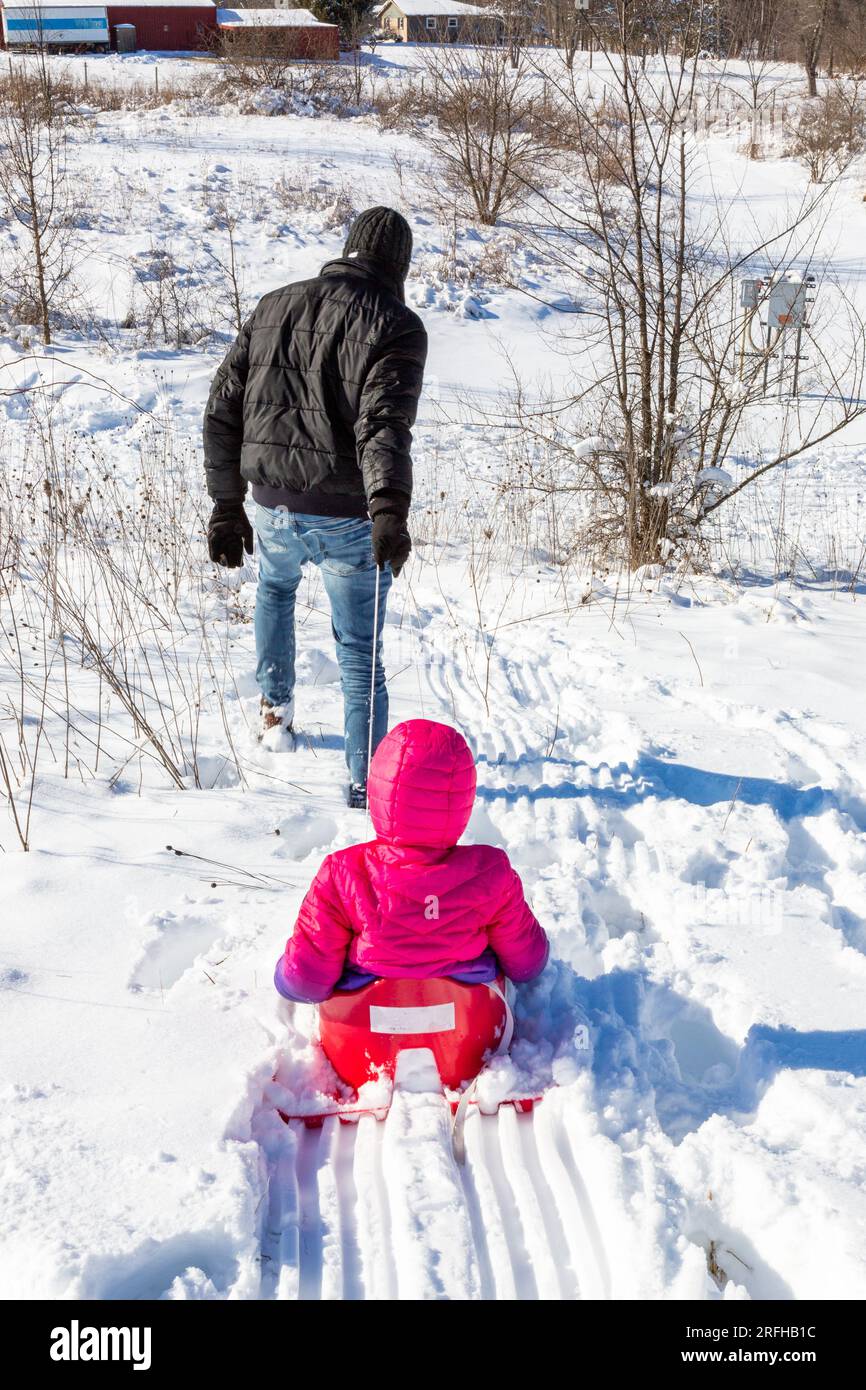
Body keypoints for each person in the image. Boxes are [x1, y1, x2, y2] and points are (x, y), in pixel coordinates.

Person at [202, 207, 428, 808]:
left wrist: (228, 506)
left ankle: (274, 719)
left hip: (271, 505)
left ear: (349, 248)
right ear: (398, 264)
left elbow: (221, 407)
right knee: (359, 652)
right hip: (348, 516)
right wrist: (387, 510)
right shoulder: (397, 325)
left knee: (275, 592)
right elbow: (384, 425)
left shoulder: (275, 304)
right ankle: (368, 790)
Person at [274, 719, 549, 1004]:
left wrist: (283, 972)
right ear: (462, 798)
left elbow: (304, 981)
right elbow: (527, 963)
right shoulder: (490, 873)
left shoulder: (344, 874)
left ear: (379, 789)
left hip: (360, 1035)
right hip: (467, 1033)